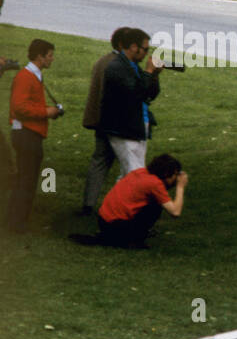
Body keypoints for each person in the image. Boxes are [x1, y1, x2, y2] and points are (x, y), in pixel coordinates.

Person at [7, 39, 63, 234]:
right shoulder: (26, 76)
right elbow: (19, 108)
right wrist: (46, 112)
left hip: (29, 133)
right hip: (26, 134)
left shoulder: (34, 75)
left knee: (26, 178)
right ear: (40, 56)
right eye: (50, 55)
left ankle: (15, 219)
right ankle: (17, 223)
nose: (52, 59)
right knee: (27, 180)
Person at [74, 154, 187, 249]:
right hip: (115, 227)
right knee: (155, 207)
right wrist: (180, 187)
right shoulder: (155, 184)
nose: (176, 178)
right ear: (167, 173)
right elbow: (175, 212)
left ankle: (123, 237)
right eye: (175, 174)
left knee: (153, 202)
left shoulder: (141, 172)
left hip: (104, 222)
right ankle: (132, 241)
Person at [81, 27, 135, 215]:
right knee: (128, 165)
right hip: (116, 123)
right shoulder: (120, 65)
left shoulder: (102, 61)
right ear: (122, 45)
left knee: (99, 161)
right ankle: (120, 206)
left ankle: (88, 203)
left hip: (100, 121)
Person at [98, 27, 161, 178]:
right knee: (135, 175)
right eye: (145, 49)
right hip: (124, 128)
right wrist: (148, 72)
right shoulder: (117, 67)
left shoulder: (133, 67)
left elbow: (150, 94)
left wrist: (155, 75)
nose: (146, 54)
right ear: (133, 47)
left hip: (137, 125)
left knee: (129, 176)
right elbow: (136, 93)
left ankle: (117, 201)